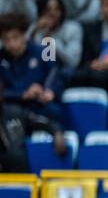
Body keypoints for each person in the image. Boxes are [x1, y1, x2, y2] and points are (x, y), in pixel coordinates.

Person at [0, 13, 68, 168]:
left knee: (54, 110)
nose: (11, 44)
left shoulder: (45, 48)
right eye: (6, 40)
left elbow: (57, 74)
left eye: (15, 38)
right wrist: (22, 94)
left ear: (24, 35)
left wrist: (50, 91)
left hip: (39, 105)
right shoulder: (1, 57)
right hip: (12, 109)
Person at [28, 0, 81, 77]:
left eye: (57, 9)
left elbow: (73, 62)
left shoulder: (73, 28)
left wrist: (50, 38)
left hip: (63, 72)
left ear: (62, 11)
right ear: (41, 12)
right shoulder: (36, 28)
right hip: (38, 71)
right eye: (48, 10)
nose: (52, 14)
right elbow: (22, 53)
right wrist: (34, 31)